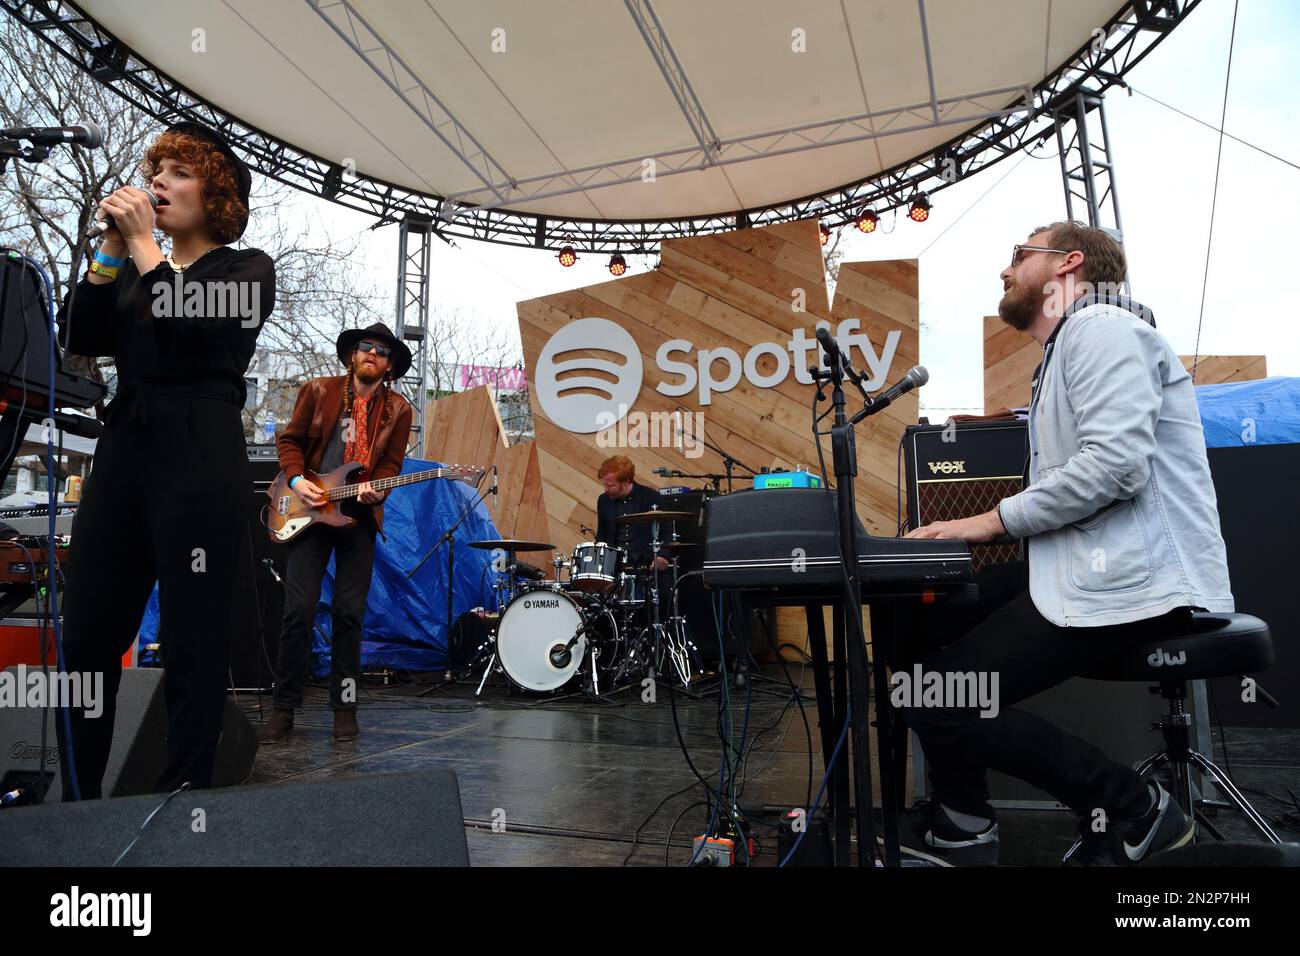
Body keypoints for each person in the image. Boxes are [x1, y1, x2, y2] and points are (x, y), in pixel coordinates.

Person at [900, 220, 1233, 865]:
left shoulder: (1101, 329)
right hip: (1075, 570)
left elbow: (1116, 466)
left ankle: (1135, 807)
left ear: (1067, 265)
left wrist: (983, 523)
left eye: (1018, 255)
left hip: (1135, 582)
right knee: (919, 614)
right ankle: (961, 820)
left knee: (937, 694)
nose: (1005, 270)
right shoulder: (1071, 345)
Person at [56, 121, 275, 797]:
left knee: (191, 636)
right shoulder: (133, 267)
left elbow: (190, 328)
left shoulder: (245, 269)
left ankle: (186, 799)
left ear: (218, 198)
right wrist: (112, 250)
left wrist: (146, 245)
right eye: (157, 172)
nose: (159, 182)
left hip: (199, 451)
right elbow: (81, 333)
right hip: (127, 447)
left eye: (180, 173)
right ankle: (79, 798)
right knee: (89, 633)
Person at [257, 323, 413, 744]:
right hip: (308, 511)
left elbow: (391, 465)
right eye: (366, 348)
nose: (373, 355)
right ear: (351, 356)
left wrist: (377, 488)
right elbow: (289, 441)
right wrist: (294, 481)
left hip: (357, 518)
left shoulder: (399, 409)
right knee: (299, 611)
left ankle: (345, 708)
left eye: (383, 352)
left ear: (390, 365)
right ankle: (283, 709)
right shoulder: (319, 390)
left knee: (349, 613)